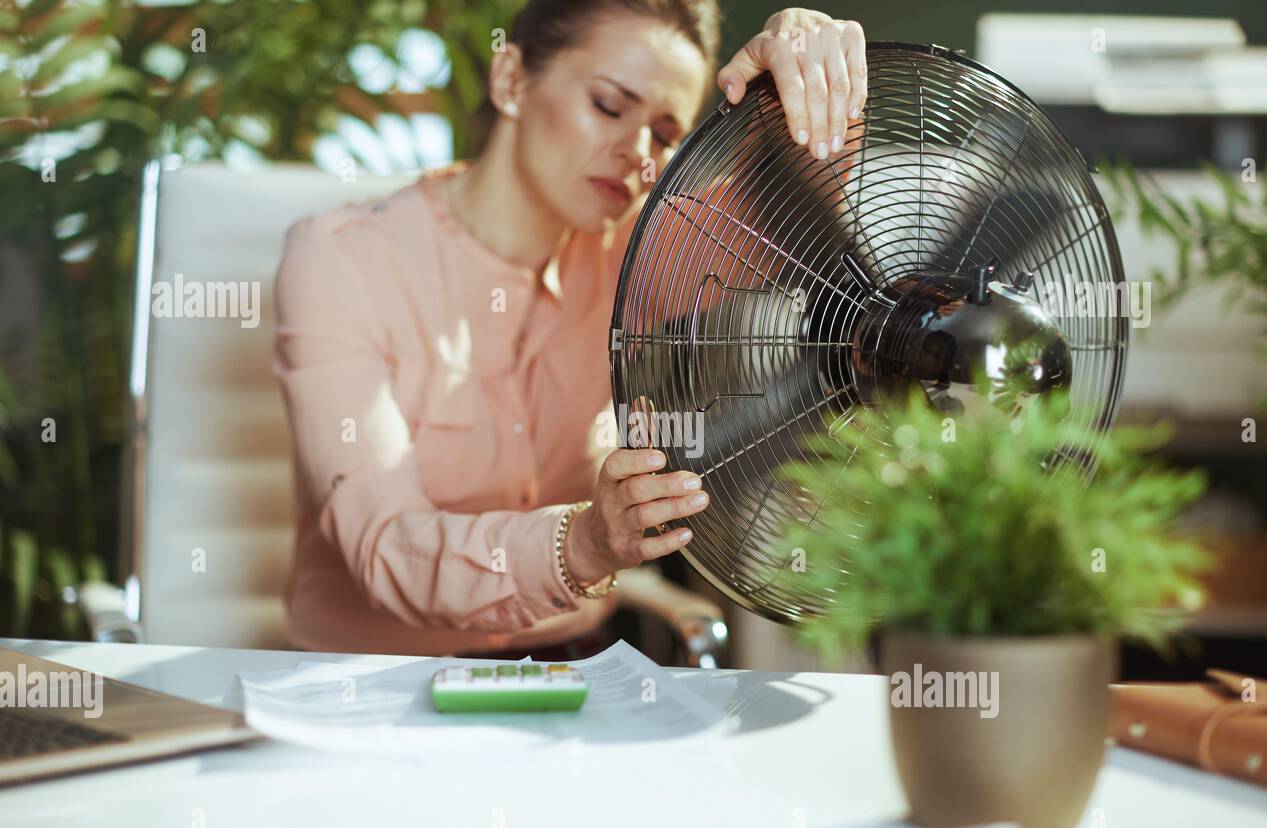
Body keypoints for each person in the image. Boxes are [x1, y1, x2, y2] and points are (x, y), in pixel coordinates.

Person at [273, 1, 869, 656]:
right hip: (370, 691)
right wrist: (582, 544)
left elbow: (791, 229)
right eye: (610, 107)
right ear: (510, 81)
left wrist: (803, 74)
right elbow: (386, 547)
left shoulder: (637, 247)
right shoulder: (341, 260)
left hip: (572, 677)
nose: (637, 154)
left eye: (665, 135)